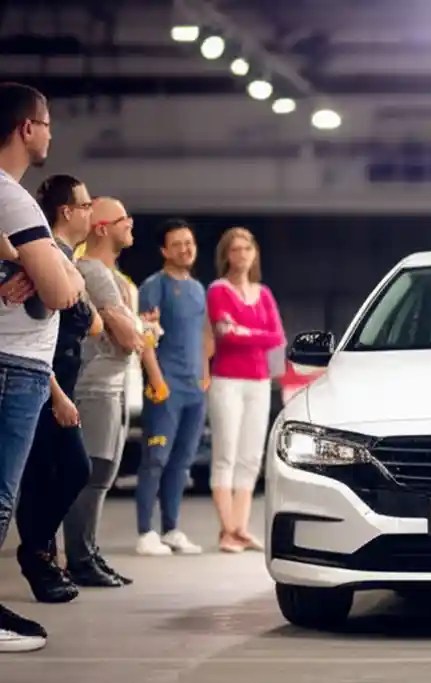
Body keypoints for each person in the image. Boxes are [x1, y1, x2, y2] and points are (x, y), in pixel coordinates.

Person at [0, 82, 85, 652]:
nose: (51, 132)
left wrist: (22, 256)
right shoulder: (13, 197)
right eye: (47, 122)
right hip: (14, 366)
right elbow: (62, 292)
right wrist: (52, 264)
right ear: (27, 127)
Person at [12, 175, 98, 605]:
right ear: (66, 211)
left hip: (59, 382)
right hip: (43, 383)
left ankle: (43, 556)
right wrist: (57, 393)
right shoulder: (46, 259)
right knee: (69, 469)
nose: (91, 212)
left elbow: (89, 321)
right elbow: (31, 336)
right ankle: (36, 553)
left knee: (46, 473)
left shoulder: (63, 257)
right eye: (86, 205)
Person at [63, 196, 145, 586]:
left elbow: (131, 333)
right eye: (122, 219)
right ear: (102, 228)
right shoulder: (93, 272)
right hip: (95, 386)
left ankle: (89, 552)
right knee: (92, 475)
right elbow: (129, 337)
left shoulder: (112, 277)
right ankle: (79, 559)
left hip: (111, 386)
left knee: (103, 475)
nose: (130, 224)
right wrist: (140, 332)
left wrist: (138, 332)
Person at [206, 227, 283, 553]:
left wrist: (244, 330)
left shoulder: (263, 293)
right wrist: (253, 332)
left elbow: (277, 336)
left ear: (254, 254)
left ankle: (240, 528)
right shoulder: (218, 290)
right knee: (226, 453)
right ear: (226, 255)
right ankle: (227, 530)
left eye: (247, 249)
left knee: (251, 457)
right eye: (235, 250)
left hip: (259, 380)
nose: (242, 255)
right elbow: (226, 335)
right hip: (227, 380)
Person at [134, 219, 208, 556]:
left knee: (182, 461)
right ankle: (145, 531)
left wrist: (205, 376)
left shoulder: (197, 288)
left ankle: (172, 529)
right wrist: (157, 379)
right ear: (164, 251)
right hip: (165, 387)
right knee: (156, 458)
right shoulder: (155, 285)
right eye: (177, 244)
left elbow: (204, 336)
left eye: (189, 242)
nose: (185, 249)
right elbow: (145, 337)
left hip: (195, 389)